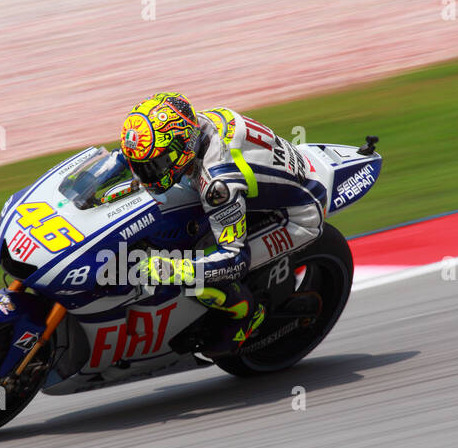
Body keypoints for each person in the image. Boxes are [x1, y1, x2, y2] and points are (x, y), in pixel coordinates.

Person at [119, 91, 326, 354]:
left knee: (196, 266)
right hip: (268, 183)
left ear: (183, 149)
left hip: (298, 216)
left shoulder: (218, 184)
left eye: (154, 164)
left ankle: (248, 315)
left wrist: (175, 269)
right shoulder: (199, 126)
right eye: (139, 164)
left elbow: (234, 260)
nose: (145, 173)